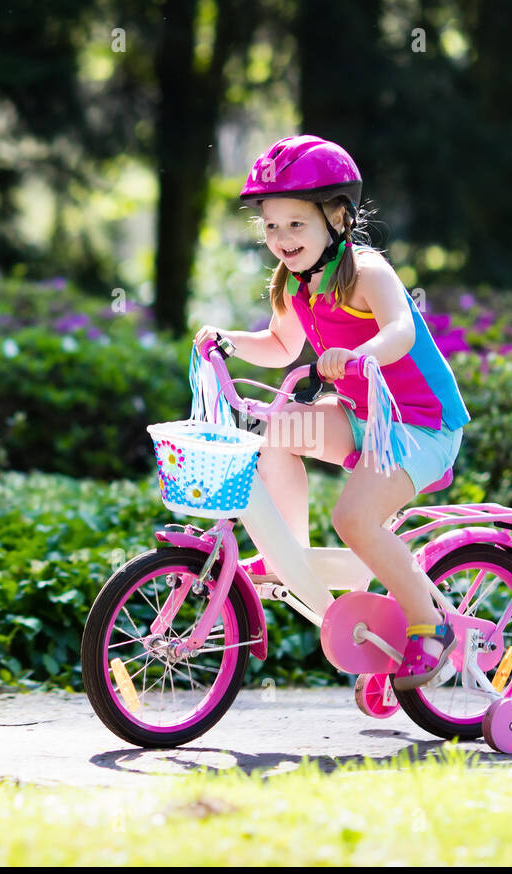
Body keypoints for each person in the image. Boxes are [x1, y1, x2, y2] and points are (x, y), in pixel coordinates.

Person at [193, 134, 471, 691]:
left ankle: (431, 626)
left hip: (419, 425)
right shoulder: (296, 284)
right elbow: (279, 344)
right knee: (272, 432)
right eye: (271, 226)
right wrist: (226, 339)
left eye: (296, 224)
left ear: (338, 218)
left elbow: (401, 329)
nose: (281, 238)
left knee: (353, 520)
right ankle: (286, 558)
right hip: (360, 415)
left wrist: (360, 354)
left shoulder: (367, 271)